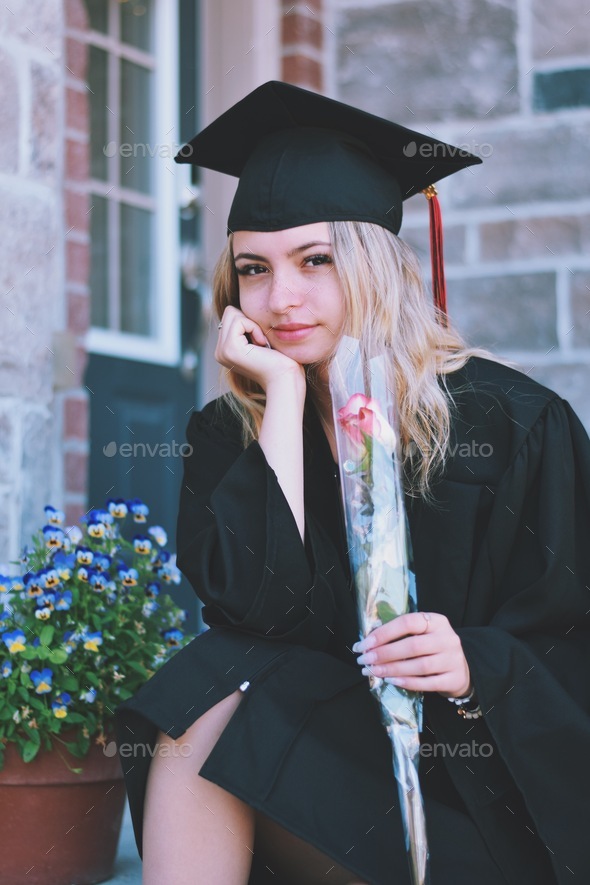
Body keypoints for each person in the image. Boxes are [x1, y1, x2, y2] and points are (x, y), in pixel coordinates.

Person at [115, 82, 590, 885]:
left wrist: (477, 662)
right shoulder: (230, 433)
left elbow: (571, 633)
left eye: (315, 260)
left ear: (374, 263)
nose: (280, 298)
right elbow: (257, 622)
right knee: (204, 686)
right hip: (334, 780)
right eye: (253, 269)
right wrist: (286, 402)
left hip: (478, 793)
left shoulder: (514, 425)